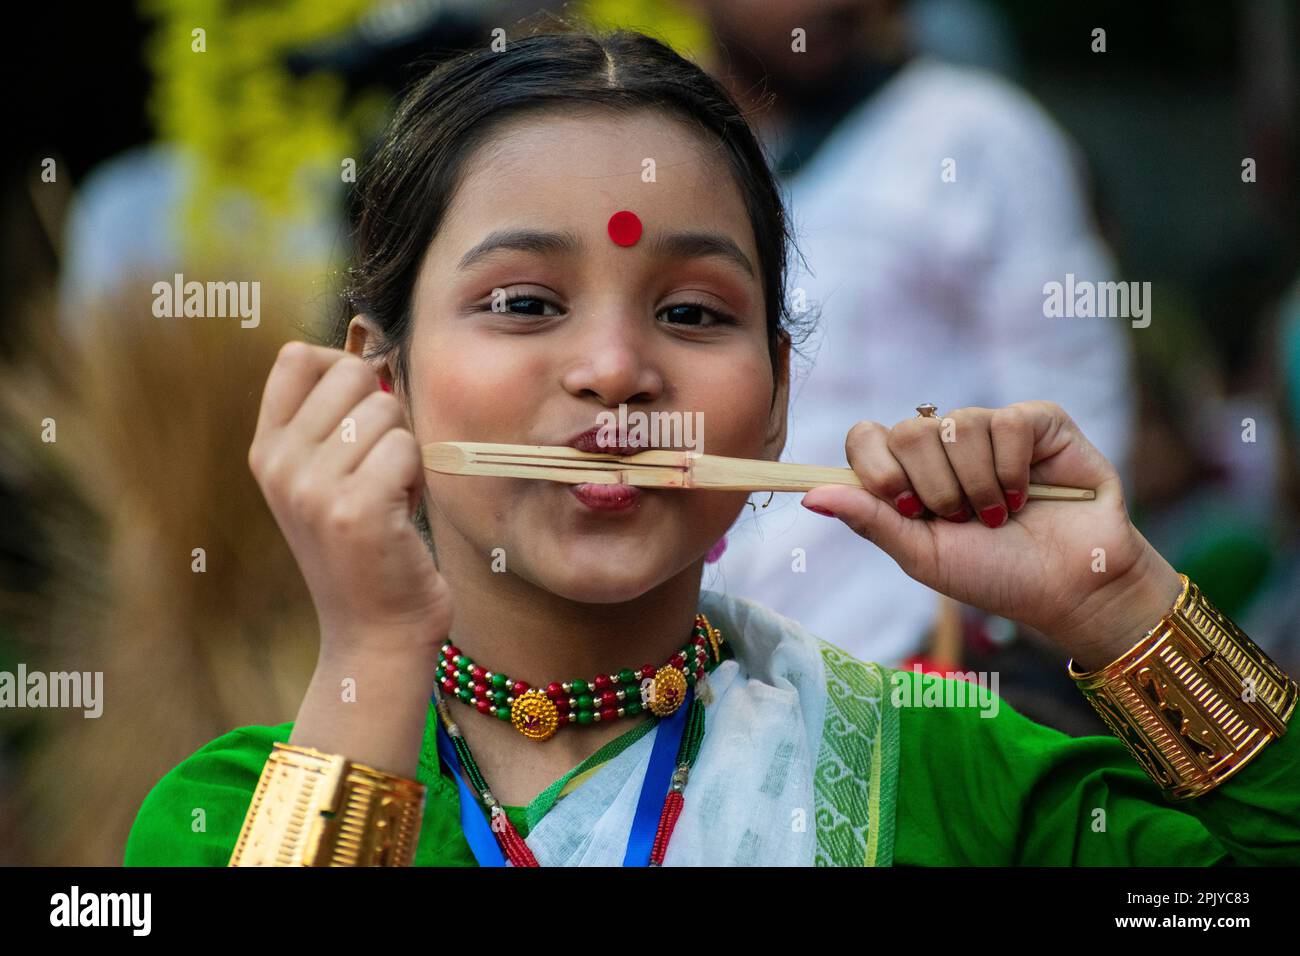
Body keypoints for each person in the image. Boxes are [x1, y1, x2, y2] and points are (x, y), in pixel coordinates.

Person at [123, 30, 1297, 867]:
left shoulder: (954, 778)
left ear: (779, 395)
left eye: (691, 313)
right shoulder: (223, 816)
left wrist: (1122, 602)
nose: (617, 369)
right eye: (526, 303)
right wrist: (373, 653)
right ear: (383, 382)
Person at [691, 0, 1137, 667]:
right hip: (706, 677)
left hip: (921, 671)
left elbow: (1074, 424)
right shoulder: (674, 148)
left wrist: (1000, 633)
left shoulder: (977, 135)